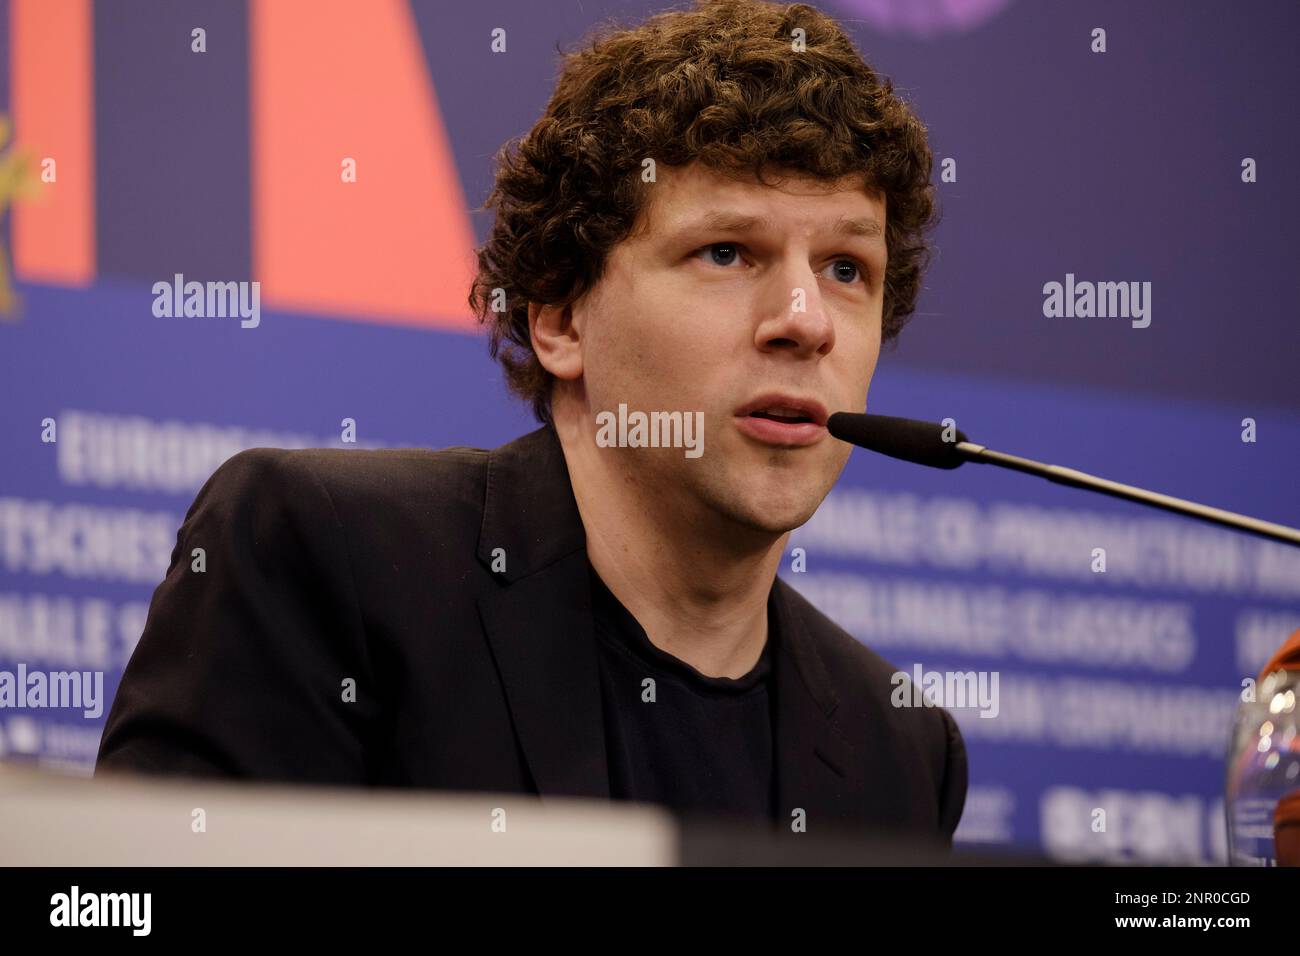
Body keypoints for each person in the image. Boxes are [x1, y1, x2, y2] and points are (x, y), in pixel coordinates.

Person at [97, 0, 967, 846]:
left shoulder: (899, 749)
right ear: (559, 317)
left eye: (847, 268)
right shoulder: (330, 558)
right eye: (727, 252)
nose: (806, 320)